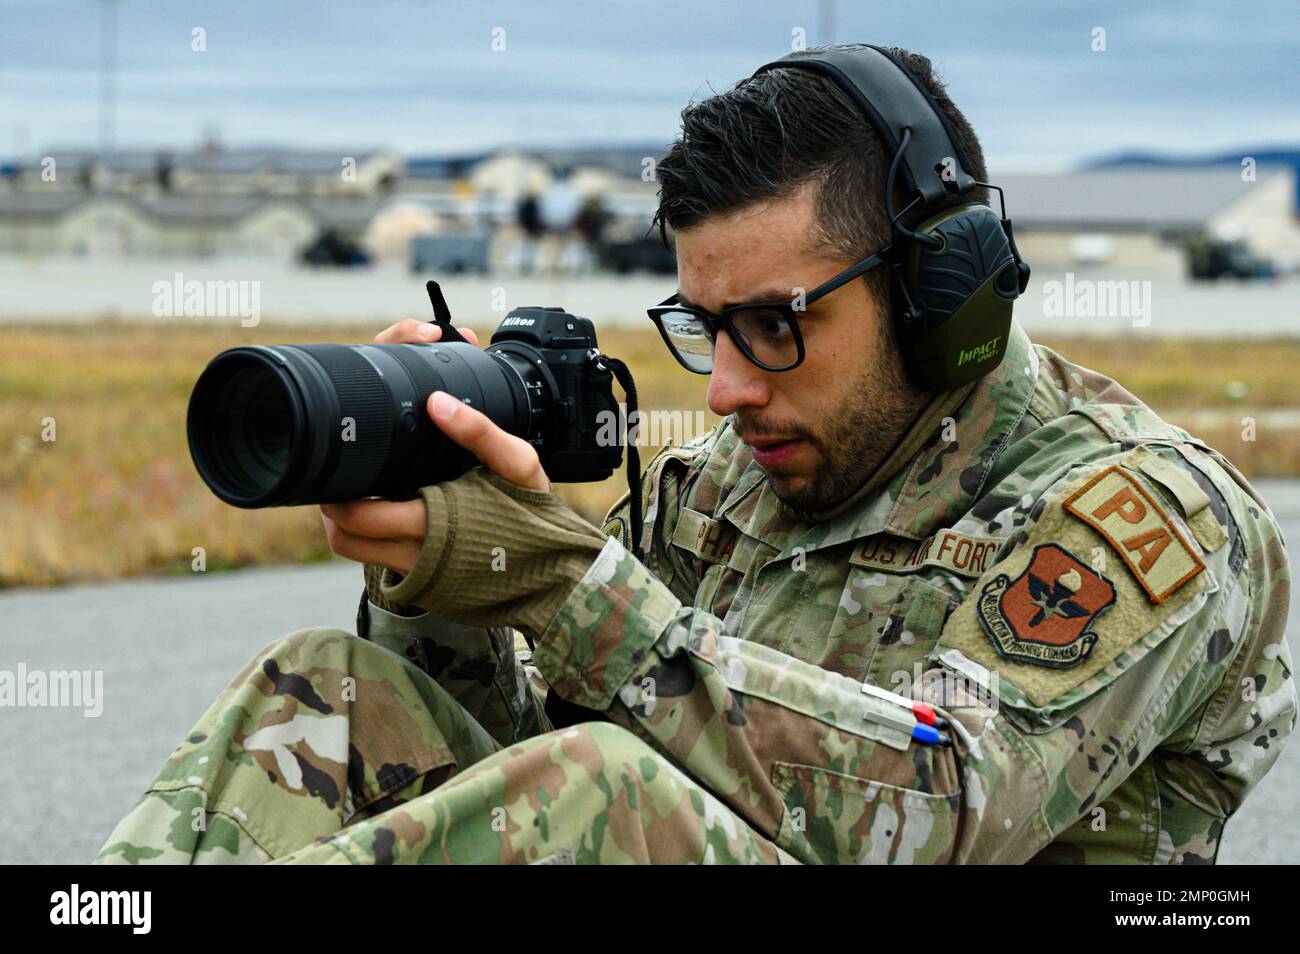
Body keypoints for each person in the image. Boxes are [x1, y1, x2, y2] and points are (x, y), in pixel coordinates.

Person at [98, 44, 1294, 865]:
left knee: (603, 790)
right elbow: (525, 761)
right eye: (704, 327)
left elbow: (951, 815)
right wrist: (450, 580)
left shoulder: (1136, 515)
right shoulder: (726, 484)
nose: (725, 389)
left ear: (943, 295)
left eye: (777, 325)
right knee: (328, 687)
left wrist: (569, 584)